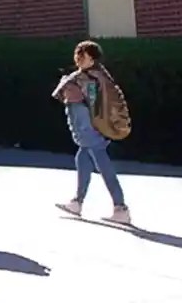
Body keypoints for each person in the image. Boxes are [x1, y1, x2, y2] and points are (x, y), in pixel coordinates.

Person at [52, 40, 131, 225]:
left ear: (92, 58)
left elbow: (94, 106)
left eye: (83, 54)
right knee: (82, 160)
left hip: (89, 130)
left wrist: (94, 128)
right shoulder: (84, 76)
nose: (78, 57)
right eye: (77, 53)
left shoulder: (93, 79)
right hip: (85, 130)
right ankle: (77, 202)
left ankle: (121, 207)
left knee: (103, 166)